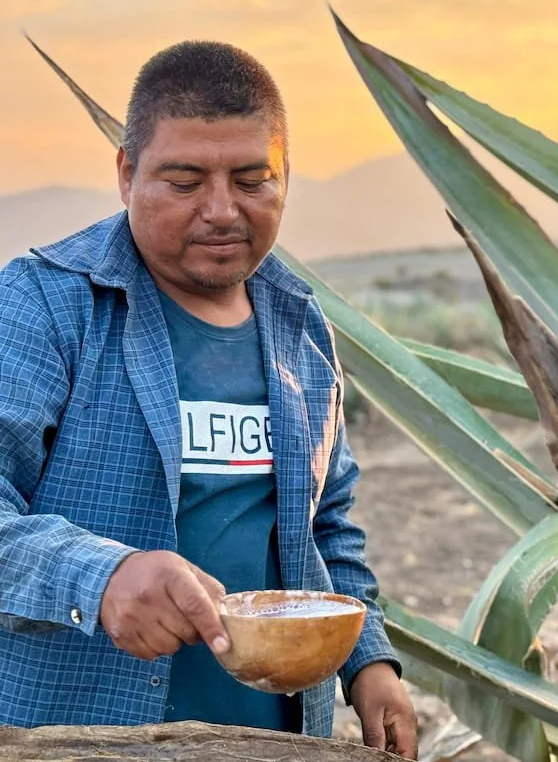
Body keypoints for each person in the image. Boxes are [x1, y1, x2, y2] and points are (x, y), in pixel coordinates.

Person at [0, 40, 417, 757]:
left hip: (270, 739)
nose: (221, 210)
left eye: (253, 179)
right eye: (185, 180)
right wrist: (100, 575)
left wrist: (367, 660)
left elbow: (325, 524)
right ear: (128, 173)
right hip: (82, 735)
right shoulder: (43, 306)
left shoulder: (300, 325)